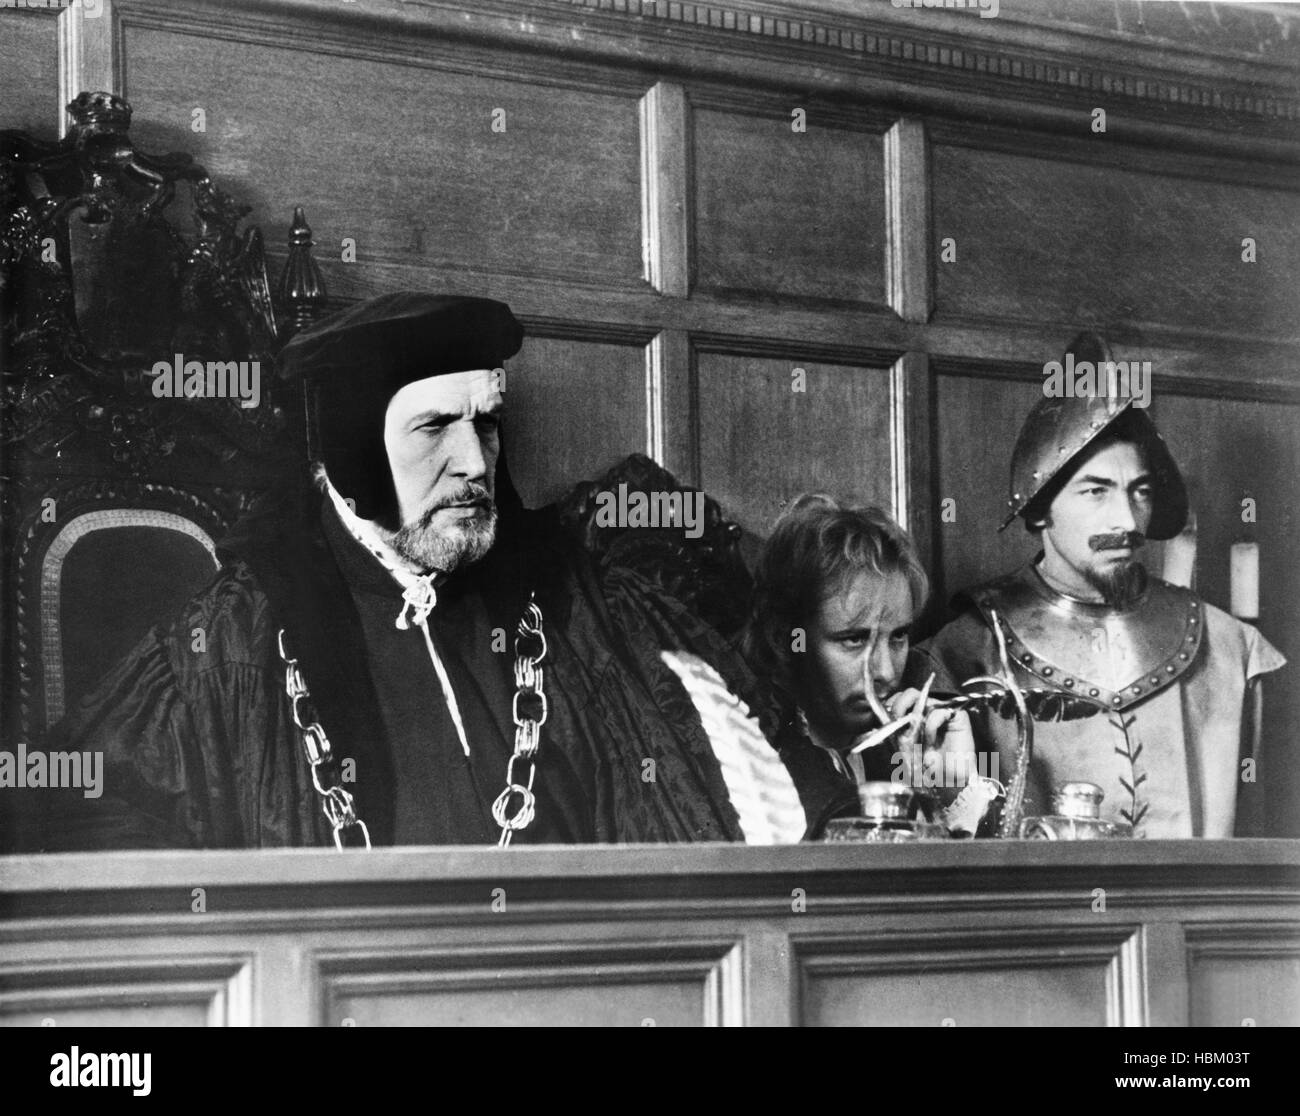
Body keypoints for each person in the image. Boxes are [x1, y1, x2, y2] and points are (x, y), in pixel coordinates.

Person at [21, 293, 761, 850]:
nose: (475, 463)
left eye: (487, 423)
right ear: (352, 455)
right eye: (436, 426)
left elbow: (738, 759)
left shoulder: (575, 602)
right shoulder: (230, 642)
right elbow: (84, 826)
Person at [920, 335, 1286, 838]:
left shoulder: (1231, 651)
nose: (1126, 521)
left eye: (1140, 492)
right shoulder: (964, 653)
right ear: (1041, 508)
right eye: (1096, 492)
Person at [742, 495, 981, 837]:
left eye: (898, 637)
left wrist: (950, 792)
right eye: (853, 640)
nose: (884, 672)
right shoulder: (756, 758)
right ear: (786, 639)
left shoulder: (899, 749)